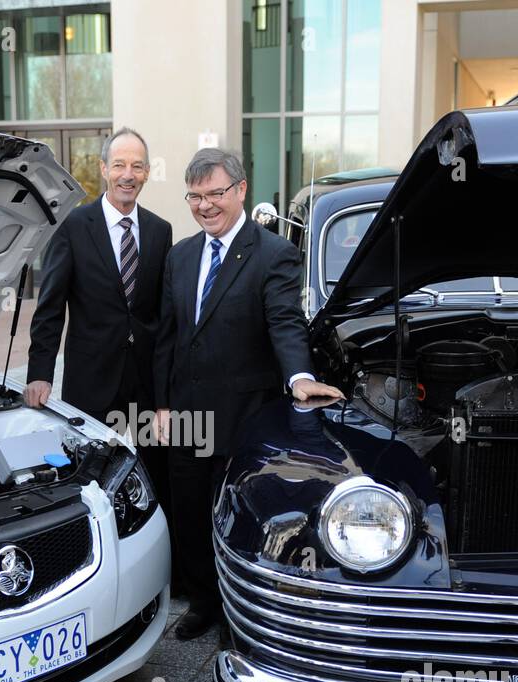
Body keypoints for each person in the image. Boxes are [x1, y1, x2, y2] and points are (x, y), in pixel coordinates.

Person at [154, 148, 343, 640]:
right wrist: (161, 405)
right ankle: (202, 602)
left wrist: (300, 379)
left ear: (240, 190)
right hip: (187, 419)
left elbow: (285, 323)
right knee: (192, 515)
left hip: (243, 416)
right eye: (195, 196)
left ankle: (240, 616)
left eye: (215, 194)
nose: (204, 206)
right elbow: (168, 339)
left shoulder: (273, 253)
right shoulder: (180, 255)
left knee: (240, 520)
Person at [24, 127, 173, 430]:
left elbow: (163, 313)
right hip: (91, 382)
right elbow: (50, 307)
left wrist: (166, 392)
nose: (127, 175)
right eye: (119, 164)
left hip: (147, 384)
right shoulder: (73, 227)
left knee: (154, 472)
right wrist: (40, 373)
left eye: (137, 166)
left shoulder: (160, 231)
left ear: (146, 172)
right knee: (93, 471)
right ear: (104, 168)